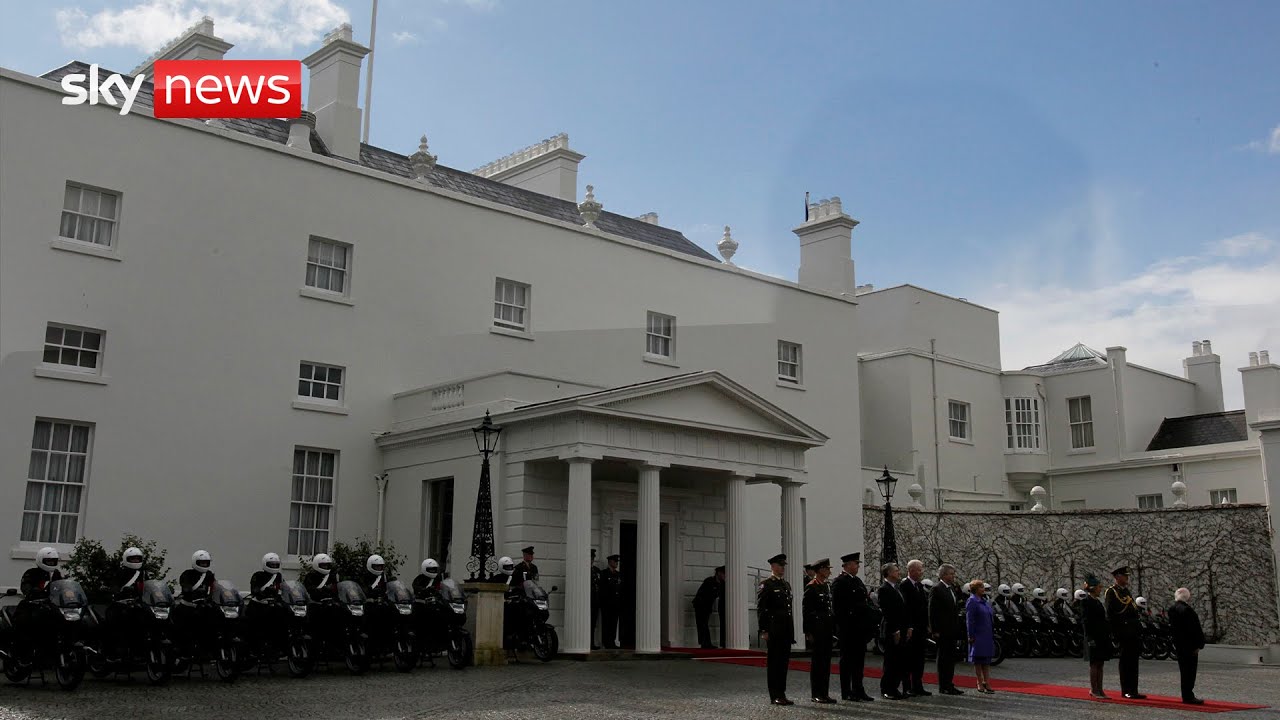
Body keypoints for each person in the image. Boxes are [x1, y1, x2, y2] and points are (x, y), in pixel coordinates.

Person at [831, 552, 874, 702]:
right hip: (848, 629)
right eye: (856, 563)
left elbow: (865, 603)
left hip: (860, 629)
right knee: (847, 661)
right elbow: (838, 608)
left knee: (859, 661)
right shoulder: (840, 582)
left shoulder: (858, 581)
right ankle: (846, 691)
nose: (857, 566)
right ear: (847, 565)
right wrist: (843, 628)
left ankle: (858, 688)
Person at [14, 547, 64, 662]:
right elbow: (26, 587)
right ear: (41, 560)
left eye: (53, 561)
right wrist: (34, 591)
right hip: (32, 605)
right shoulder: (31, 573)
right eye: (49, 561)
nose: (51, 563)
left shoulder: (56, 574)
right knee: (25, 624)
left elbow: (61, 586)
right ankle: (23, 654)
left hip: (50, 606)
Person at [757, 553, 795, 705]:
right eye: (779, 565)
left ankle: (782, 692)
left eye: (783, 565)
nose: (782, 568)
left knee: (783, 663)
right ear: (772, 566)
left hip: (785, 629)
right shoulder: (767, 584)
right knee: (774, 663)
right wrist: (764, 630)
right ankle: (775, 694)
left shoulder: (786, 585)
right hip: (774, 629)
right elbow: (762, 609)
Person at [101, 546, 149, 659]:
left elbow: (149, 586)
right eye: (133, 559)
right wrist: (118, 590)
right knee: (116, 623)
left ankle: (139, 650)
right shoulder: (120, 572)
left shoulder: (143, 573)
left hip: (137, 605)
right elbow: (113, 586)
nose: (136, 561)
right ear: (127, 559)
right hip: (120, 605)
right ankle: (113, 652)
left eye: (138, 559)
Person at [1105, 566, 1145, 699]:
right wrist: (1115, 632)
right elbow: (1112, 613)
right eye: (1124, 576)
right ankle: (1126, 689)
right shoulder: (1112, 592)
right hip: (1123, 631)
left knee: (1133, 662)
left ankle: (1133, 689)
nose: (1127, 578)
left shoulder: (1126, 591)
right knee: (1126, 661)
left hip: (1133, 631)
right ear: (1117, 577)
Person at [803, 558, 837, 704]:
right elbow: (807, 611)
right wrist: (808, 632)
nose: (829, 571)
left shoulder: (826, 586)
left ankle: (824, 692)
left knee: (825, 662)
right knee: (818, 663)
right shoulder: (812, 587)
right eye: (827, 569)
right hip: (817, 630)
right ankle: (816, 693)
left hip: (827, 628)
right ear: (821, 570)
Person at [929, 563, 965, 695]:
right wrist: (934, 629)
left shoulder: (952, 589)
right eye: (951, 574)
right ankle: (943, 685)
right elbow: (932, 611)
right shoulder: (937, 589)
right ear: (944, 575)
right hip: (942, 630)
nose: (953, 576)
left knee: (951, 658)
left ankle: (949, 683)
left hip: (952, 629)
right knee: (943, 658)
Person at [1168, 588, 1206, 705]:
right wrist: (1199, 644)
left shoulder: (1172, 609)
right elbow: (1194, 629)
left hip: (1179, 644)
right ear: (1187, 597)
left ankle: (1186, 694)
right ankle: (1188, 695)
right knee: (1190, 671)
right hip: (1190, 645)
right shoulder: (1188, 611)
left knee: (1183, 670)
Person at [877, 562, 908, 700]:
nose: (898, 572)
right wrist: (895, 630)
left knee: (899, 660)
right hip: (891, 629)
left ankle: (895, 687)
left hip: (901, 628)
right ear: (888, 573)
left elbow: (903, 609)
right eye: (895, 570)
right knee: (890, 660)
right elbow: (888, 611)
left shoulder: (897, 588)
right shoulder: (884, 589)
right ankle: (887, 688)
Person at [899, 559, 930, 696]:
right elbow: (905, 608)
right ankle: (907, 686)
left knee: (919, 659)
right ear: (911, 571)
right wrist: (909, 626)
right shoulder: (904, 585)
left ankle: (918, 685)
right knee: (907, 660)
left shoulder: (919, 586)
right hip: (911, 629)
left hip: (921, 629)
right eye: (919, 570)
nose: (921, 572)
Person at [1082, 574, 1112, 699]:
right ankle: (1094, 689)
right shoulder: (1086, 602)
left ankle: (1100, 689)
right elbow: (1086, 621)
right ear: (1093, 588)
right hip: (1093, 637)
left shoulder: (1097, 602)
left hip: (1101, 636)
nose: (1101, 589)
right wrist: (1089, 638)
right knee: (1094, 664)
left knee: (1100, 663)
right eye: (1099, 587)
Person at [965, 579, 995, 694]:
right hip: (977, 634)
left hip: (986, 634)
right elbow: (970, 620)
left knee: (986, 660)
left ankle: (987, 682)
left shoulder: (984, 601)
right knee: (978, 660)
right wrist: (970, 635)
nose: (984, 589)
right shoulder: (972, 601)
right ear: (976, 589)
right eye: (981, 587)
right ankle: (979, 681)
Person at [694, 566, 725, 649]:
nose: (724, 575)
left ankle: (706, 643)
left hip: (707, 606)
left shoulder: (721, 583)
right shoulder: (709, 581)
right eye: (723, 573)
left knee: (704, 624)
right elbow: (705, 595)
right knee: (702, 624)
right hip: (700, 604)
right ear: (718, 573)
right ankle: (704, 643)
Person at [599, 554, 623, 649]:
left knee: (614, 623)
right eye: (615, 561)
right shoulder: (604, 573)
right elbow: (602, 589)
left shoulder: (618, 574)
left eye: (617, 561)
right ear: (610, 562)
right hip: (607, 603)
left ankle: (612, 641)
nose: (617, 563)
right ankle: (606, 642)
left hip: (616, 604)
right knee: (606, 623)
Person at [590, 549, 602, 650]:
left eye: (593, 558)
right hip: (586, 601)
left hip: (595, 600)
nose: (591, 560)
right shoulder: (583, 570)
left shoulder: (597, 571)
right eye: (590, 558)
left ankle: (591, 643)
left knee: (593, 623)